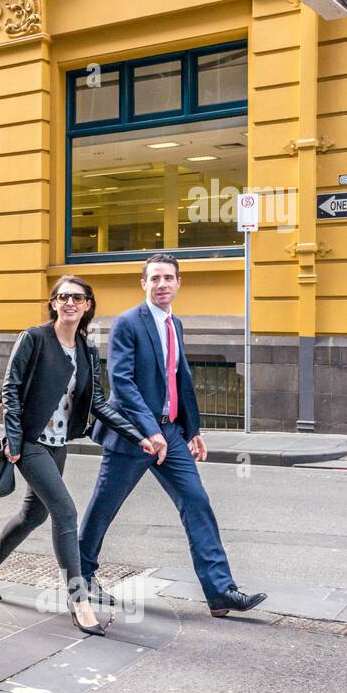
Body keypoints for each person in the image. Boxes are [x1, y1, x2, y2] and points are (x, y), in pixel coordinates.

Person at [76, 253, 268, 618]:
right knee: (103, 508)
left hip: (171, 431)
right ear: (143, 284)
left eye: (169, 278)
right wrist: (149, 430)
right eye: (155, 278)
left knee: (196, 501)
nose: (162, 284)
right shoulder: (128, 323)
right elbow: (122, 382)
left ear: (178, 283)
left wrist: (192, 430)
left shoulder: (174, 324)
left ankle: (220, 590)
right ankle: (81, 579)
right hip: (134, 434)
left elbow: (180, 378)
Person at [0, 276, 155, 637]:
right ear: (53, 303)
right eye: (63, 297)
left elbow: (98, 403)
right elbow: (10, 388)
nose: (70, 303)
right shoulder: (34, 338)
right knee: (66, 511)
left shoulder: (87, 350)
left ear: (88, 305)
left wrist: (139, 436)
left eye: (78, 297)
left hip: (58, 444)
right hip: (29, 442)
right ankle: (79, 600)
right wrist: (13, 436)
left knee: (32, 514)